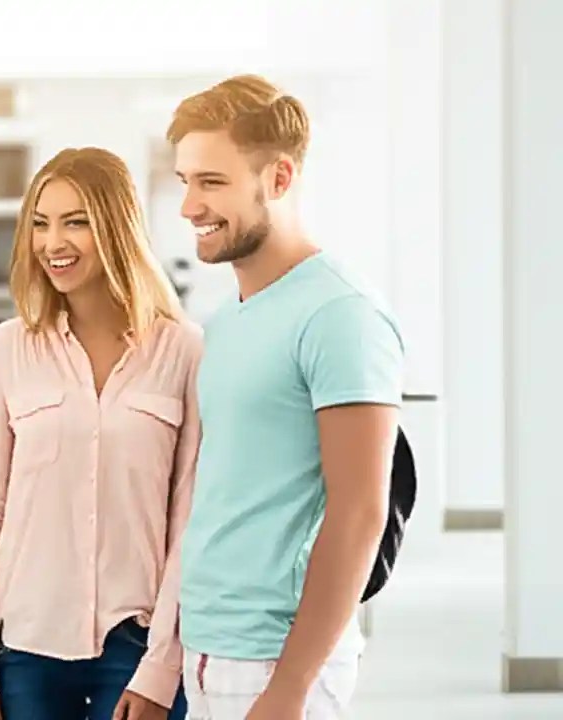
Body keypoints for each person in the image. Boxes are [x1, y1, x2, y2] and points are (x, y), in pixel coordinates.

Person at [167, 75, 405, 719]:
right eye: (184, 180)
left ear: (278, 178)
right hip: (210, 650)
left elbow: (360, 511)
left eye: (211, 182)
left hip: (278, 660)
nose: (189, 206)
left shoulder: (340, 313)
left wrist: (292, 687)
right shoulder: (226, 319)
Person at [0, 147, 200, 720]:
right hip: (26, 650)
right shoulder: (6, 351)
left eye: (75, 221)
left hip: (136, 646)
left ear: (116, 227)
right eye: (41, 223)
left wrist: (164, 664)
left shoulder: (183, 351)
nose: (52, 242)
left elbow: (189, 521)